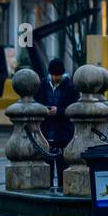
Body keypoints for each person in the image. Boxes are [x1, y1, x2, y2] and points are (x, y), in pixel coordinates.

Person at [38, 59, 78, 192]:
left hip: (63, 133)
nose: (56, 78)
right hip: (46, 131)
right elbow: (37, 103)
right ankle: (47, 190)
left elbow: (73, 108)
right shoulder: (43, 85)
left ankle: (63, 189)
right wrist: (45, 110)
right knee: (47, 167)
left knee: (63, 166)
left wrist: (59, 111)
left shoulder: (70, 86)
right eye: (54, 75)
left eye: (58, 75)